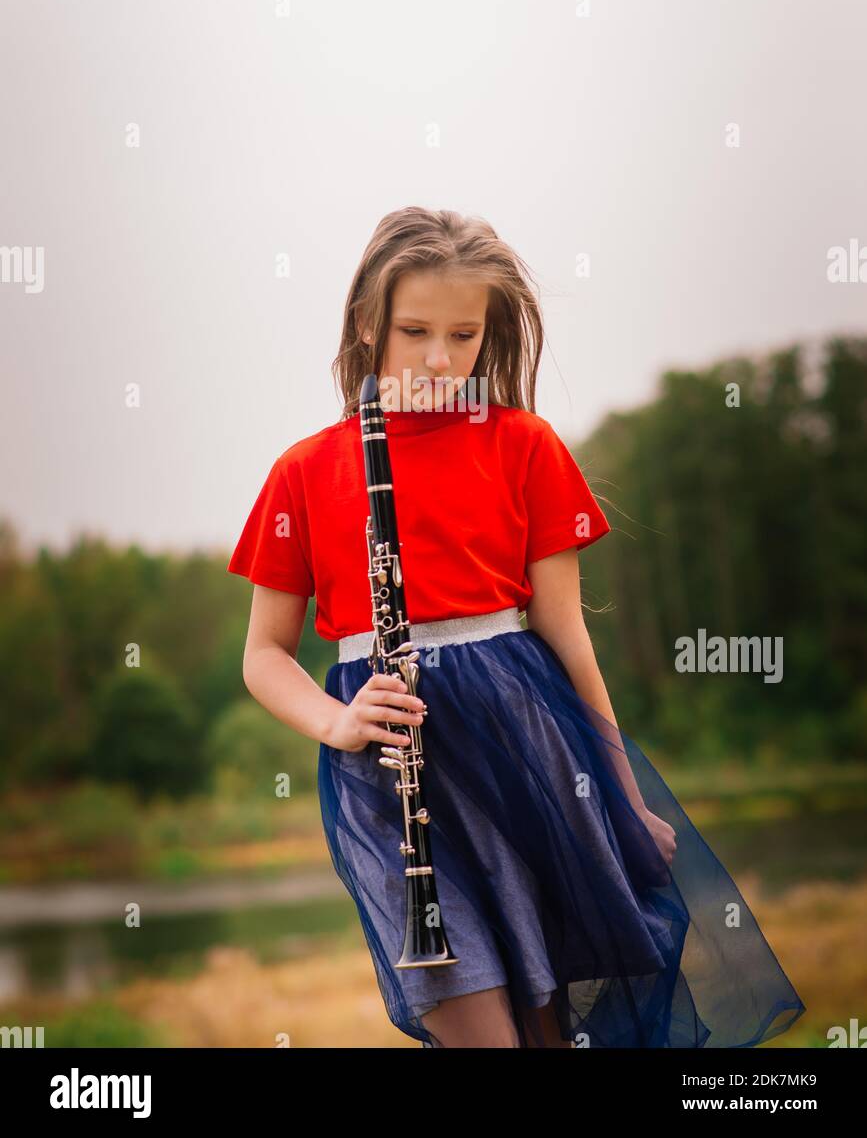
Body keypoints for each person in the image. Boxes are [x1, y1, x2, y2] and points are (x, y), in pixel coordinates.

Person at [227, 205, 806, 1049]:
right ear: (366, 322)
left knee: (544, 1026)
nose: (438, 358)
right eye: (414, 330)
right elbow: (264, 655)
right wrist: (338, 720)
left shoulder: (524, 445)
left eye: (463, 335)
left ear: (490, 330)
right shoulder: (306, 470)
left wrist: (620, 798)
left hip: (527, 749)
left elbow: (569, 639)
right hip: (391, 769)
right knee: (467, 1015)